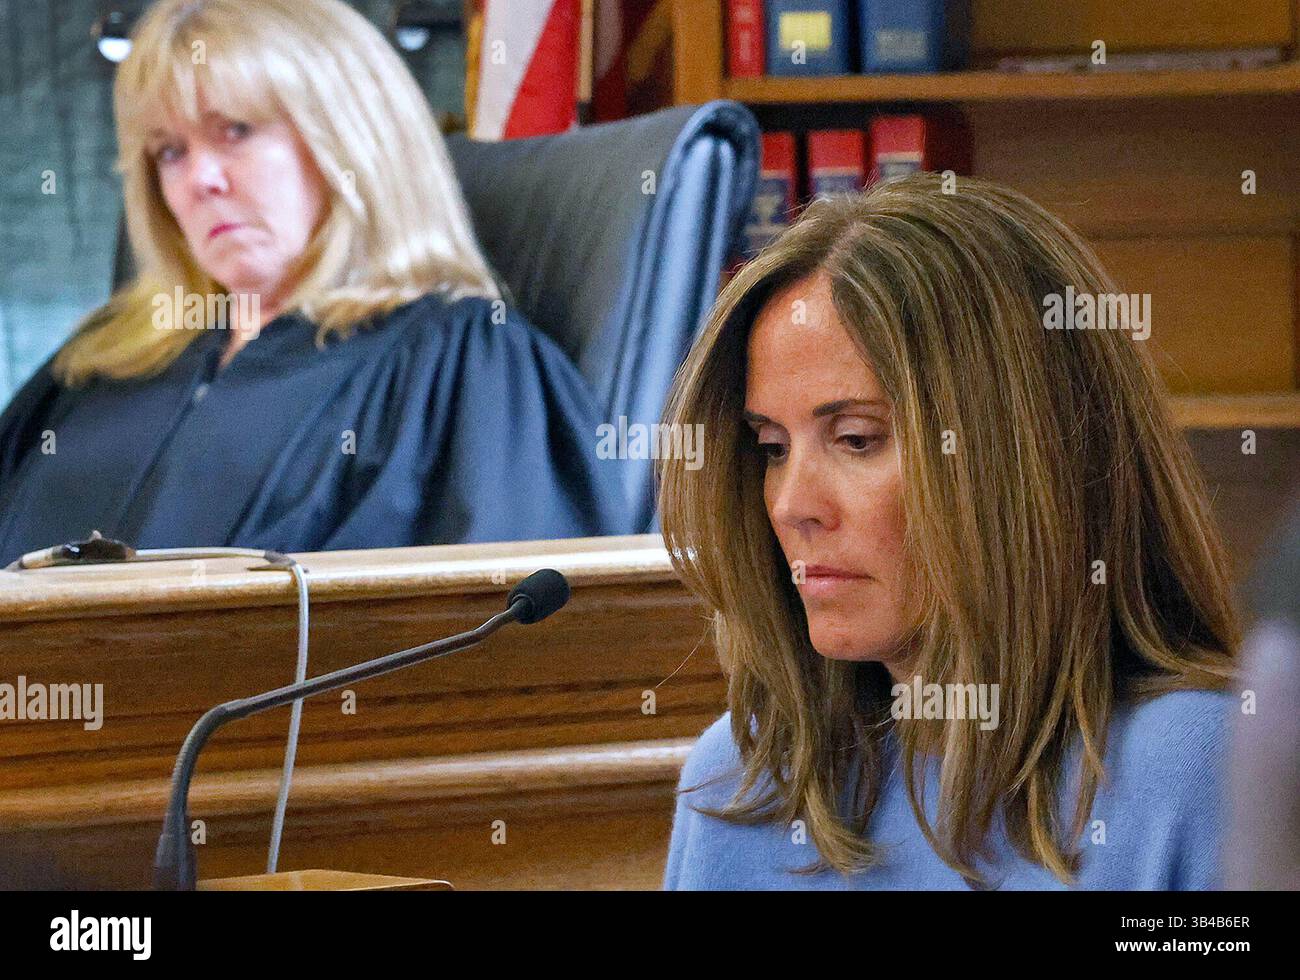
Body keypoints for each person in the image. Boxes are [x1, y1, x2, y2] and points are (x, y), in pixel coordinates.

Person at [658, 174, 1240, 889]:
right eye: (773, 449)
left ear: (1020, 460)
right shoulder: (739, 781)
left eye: (857, 439)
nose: (790, 505)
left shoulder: (1202, 766)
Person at [0, 0, 629, 566]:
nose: (200, 180)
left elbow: (509, 651)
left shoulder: (461, 368)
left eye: (235, 131)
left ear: (351, 142)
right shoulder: (103, 360)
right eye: (170, 151)